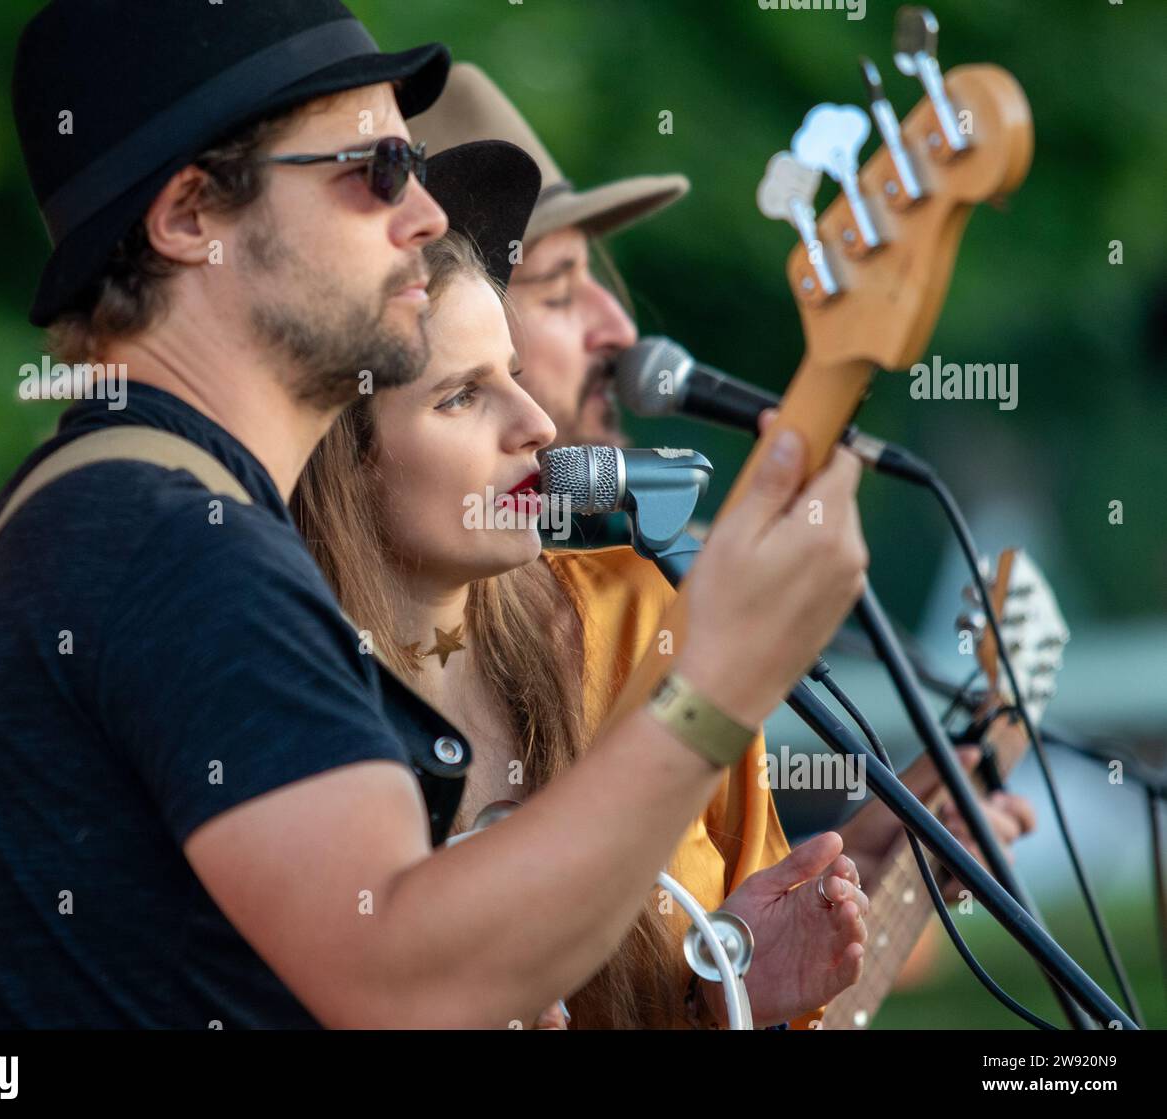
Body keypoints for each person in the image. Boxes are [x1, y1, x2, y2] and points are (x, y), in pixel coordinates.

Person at [0, 0, 870, 1029]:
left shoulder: (115, 517)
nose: (426, 214)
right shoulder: (175, 549)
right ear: (189, 219)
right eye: (375, 170)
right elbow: (409, 980)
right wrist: (713, 677)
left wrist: (709, 994)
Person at [411, 61, 1037, 916]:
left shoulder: (637, 598)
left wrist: (848, 873)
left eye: (600, 275)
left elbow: (691, 967)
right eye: (557, 290)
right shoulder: (318, 661)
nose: (621, 328)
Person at [294, 226, 869, 1028]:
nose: (535, 422)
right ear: (338, 454)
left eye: (517, 376)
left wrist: (718, 996)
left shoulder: (630, 621)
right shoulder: (281, 710)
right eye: (461, 395)